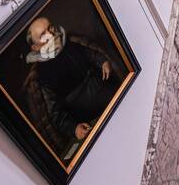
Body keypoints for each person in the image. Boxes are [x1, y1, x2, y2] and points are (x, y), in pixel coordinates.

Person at [22, 16, 119, 161]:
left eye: (50, 28)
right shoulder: (41, 77)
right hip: (87, 113)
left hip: (105, 89)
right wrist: (74, 128)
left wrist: (103, 61)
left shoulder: (69, 44)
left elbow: (90, 54)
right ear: (35, 48)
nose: (50, 34)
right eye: (43, 35)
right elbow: (56, 114)